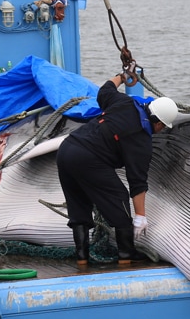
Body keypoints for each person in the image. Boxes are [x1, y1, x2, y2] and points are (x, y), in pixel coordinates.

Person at [56, 74, 178, 267]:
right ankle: (126, 254)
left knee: (78, 207)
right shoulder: (141, 140)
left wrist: (122, 77)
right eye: (162, 127)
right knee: (119, 198)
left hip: (66, 150)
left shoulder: (125, 102)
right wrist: (140, 216)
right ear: (159, 123)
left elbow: (105, 91)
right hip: (88, 158)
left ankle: (82, 259)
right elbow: (137, 183)